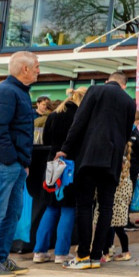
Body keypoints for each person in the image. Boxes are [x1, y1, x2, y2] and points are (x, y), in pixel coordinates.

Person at [58, 72, 136, 270]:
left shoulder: (95, 90)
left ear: (107, 80)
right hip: (113, 160)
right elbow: (127, 133)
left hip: (90, 157)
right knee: (106, 207)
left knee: (84, 205)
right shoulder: (129, 101)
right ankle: (96, 255)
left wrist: (66, 149)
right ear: (124, 85)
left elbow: (79, 122)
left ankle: (83, 255)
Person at [0, 51, 40, 277]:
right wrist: (11, 159)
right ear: (25, 69)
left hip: (14, 165)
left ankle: (1, 260)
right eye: (36, 67)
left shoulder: (16, 92)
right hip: (3, 165)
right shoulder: (6, 92)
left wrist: (21, 162)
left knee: (11, 214)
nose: (38, 71)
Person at [34, 87, 86, 263]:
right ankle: (61, 252)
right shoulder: (81, 116)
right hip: (72, 165)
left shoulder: (54, 115)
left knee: (51, 207)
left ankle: (39, 251)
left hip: (52, 165)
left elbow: (47, 141)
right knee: (68, 208)